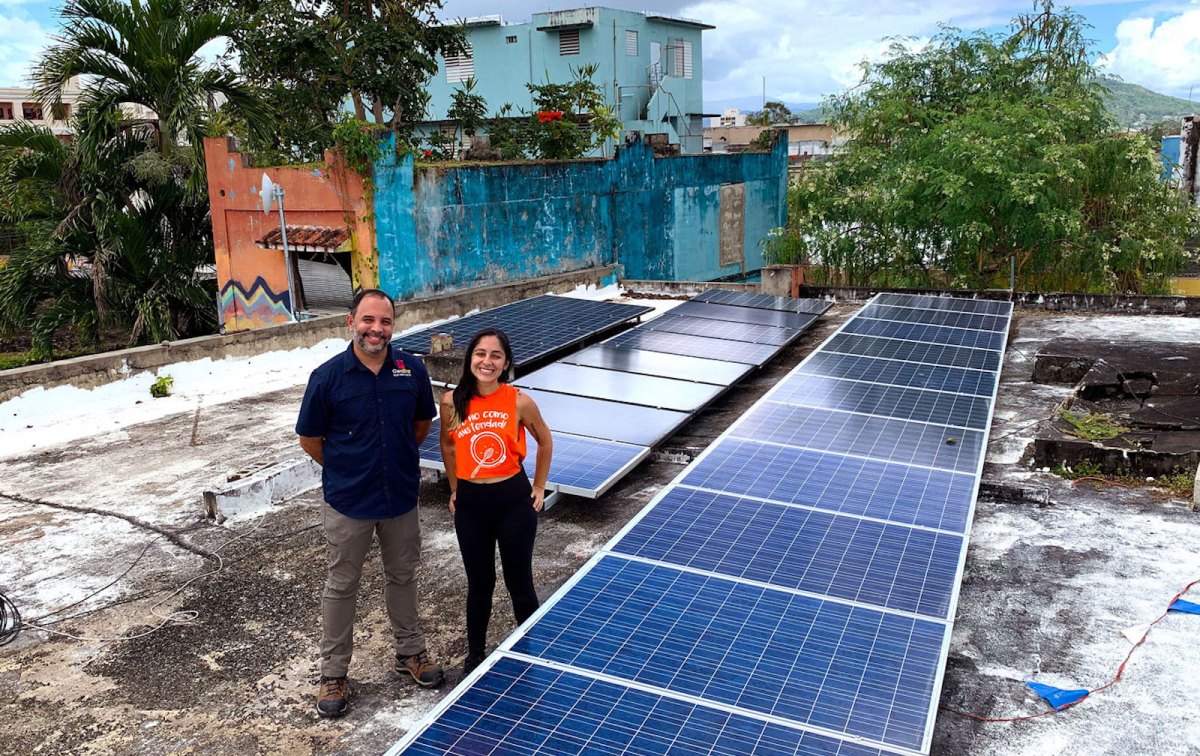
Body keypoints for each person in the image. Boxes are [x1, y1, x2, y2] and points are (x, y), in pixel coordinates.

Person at [296, 288, 444, 719]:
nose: (376, 329)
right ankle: (334, 673)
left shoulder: (410, 369)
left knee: (403, 576)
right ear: (350, 322)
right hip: (348, 501)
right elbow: (310, 439)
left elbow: (420, 424)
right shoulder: (327, 378)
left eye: (385, 321)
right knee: (342, 585)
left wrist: (392, 461)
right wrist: (347, 468)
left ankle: (411, 653)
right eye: (368, 320)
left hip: (399, 495)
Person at [439, 328, 553, 677]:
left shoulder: (519, 401)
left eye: (495, 356)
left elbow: (545, 443)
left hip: (513, 501)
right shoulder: (451, 401)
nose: (486, 361)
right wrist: (456, 488)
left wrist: (538, 486)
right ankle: (475, 654)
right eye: (480, 354)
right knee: (480, 583)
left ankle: (530, 650)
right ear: (469, 358)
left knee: (519, 581)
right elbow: (448, 445)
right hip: (472, 504)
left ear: (505, 364)